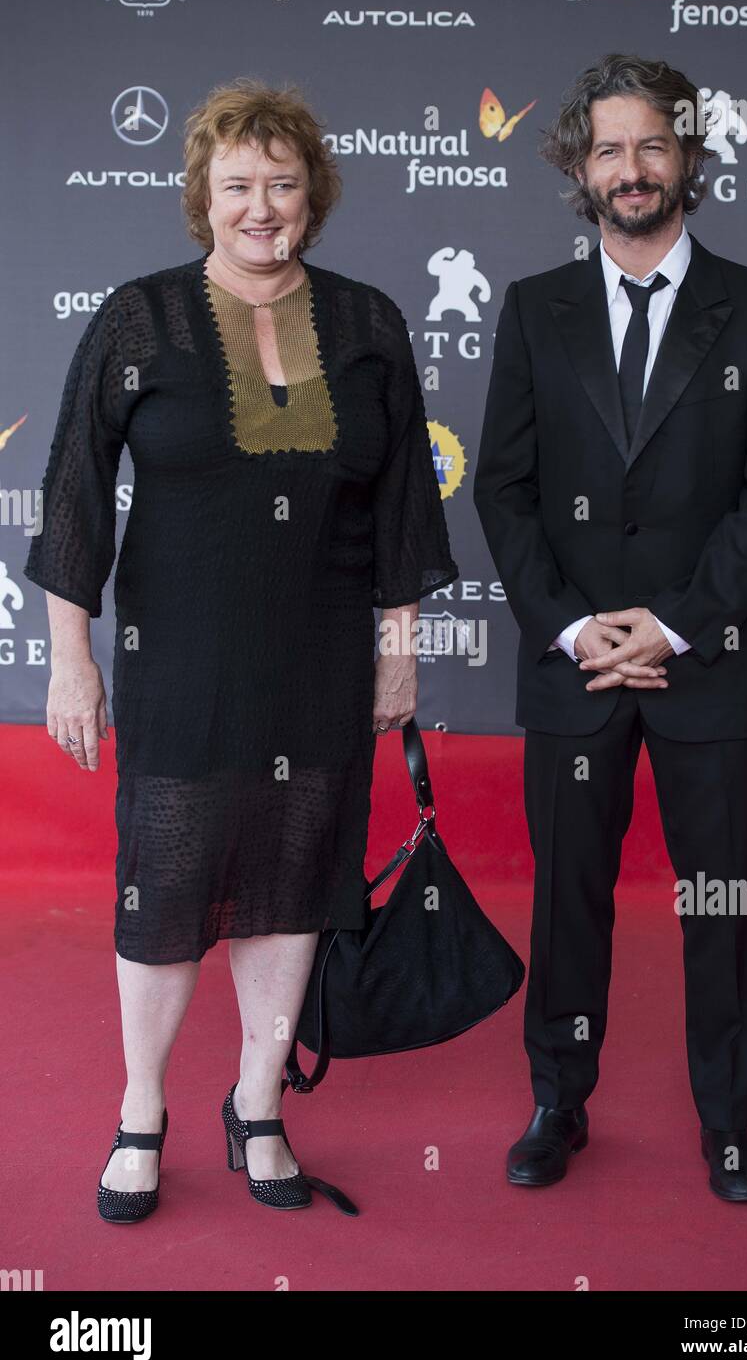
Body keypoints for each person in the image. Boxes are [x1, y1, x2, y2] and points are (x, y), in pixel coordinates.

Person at [24, 76, 458, 1221]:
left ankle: (258, 1101)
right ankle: (141, 1109)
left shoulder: (366, 323)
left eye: (281, 183)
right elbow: (73, 495)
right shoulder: (140, 319)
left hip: (316, 657)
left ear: (313, 193)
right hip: (179, 658)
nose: (260, 206)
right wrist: (70, 656)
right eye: (236, 186)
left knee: (291, 885)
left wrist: (400, 644)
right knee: (167, 883)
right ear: (199, 198)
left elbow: (407, 497)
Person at [473, 53, 747, 1202]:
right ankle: (555, 1106)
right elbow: (501, 493)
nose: (631, 167)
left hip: (708, 670)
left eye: (652, 145)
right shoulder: (530, 309)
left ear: (688, 160)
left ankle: (727, 1126)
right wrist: (575, 633)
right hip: (573, 671)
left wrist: (671, 625)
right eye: (608, 148)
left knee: (717, 909)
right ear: (578, 166)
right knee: (566, 905)